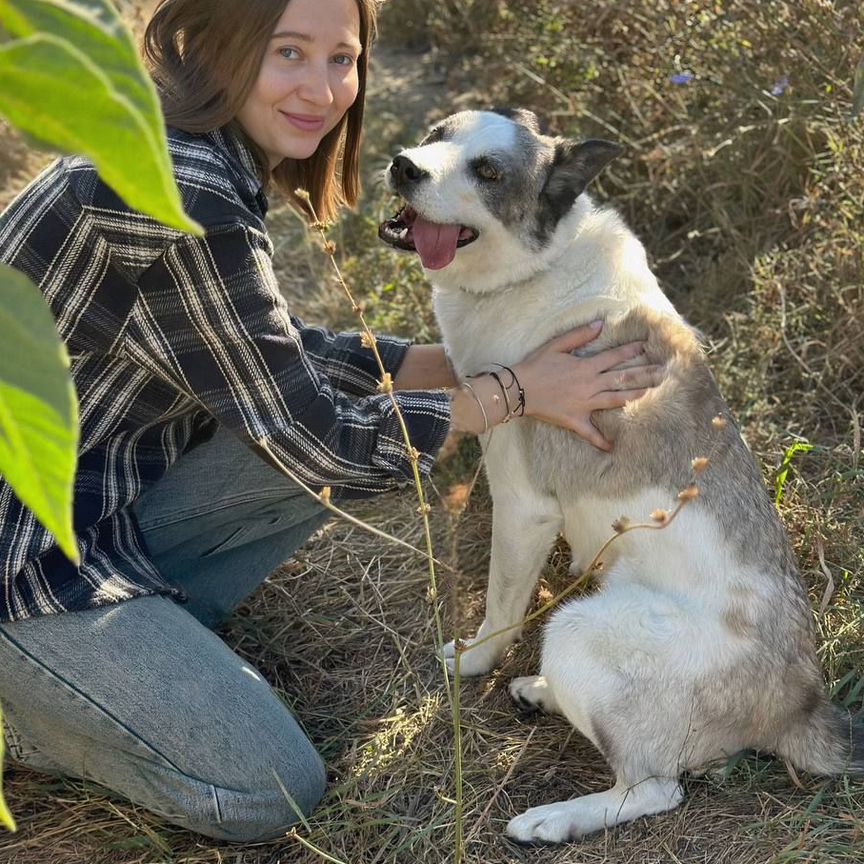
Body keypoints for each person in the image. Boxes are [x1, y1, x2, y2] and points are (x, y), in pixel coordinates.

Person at [0, 0, 661, 844]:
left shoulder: (185, 152)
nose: (322, 88)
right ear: (221, 43)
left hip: (87, 504)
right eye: (289, 53)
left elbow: (262, 355)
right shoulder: (184, 196)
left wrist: (479, 363)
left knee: (370, 423)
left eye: (342, 58)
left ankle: (126, 660)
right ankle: (34, 711)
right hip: (19, 560)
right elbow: (318, 439)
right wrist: (513, 391)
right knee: (267, 788)